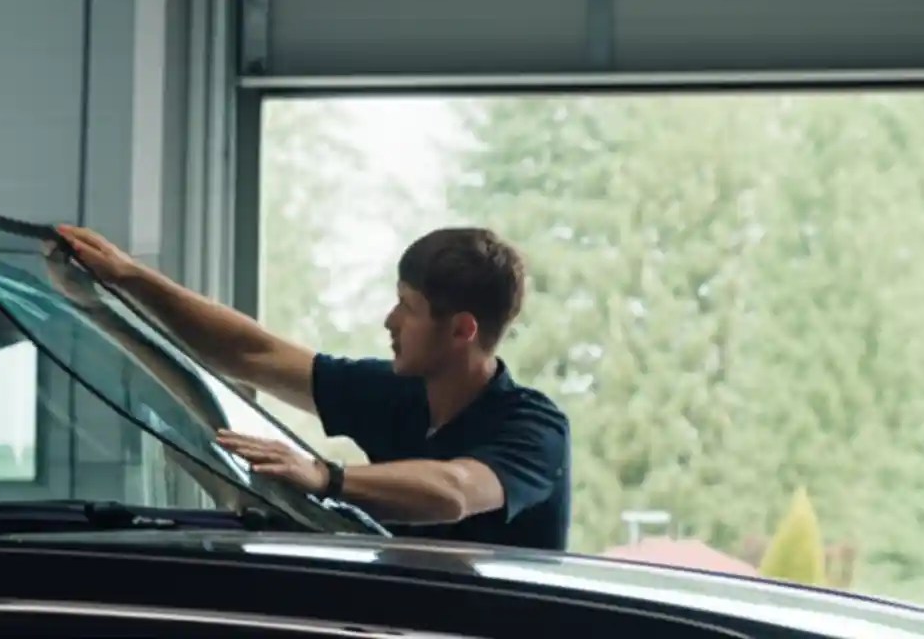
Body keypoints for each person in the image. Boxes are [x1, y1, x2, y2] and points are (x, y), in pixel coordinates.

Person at [53, 224, 571, 551]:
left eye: (407, 308)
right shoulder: (395, 392)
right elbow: (253, 353)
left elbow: (454, 492)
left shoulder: (533, 428)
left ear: (462, 330)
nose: (389, 321)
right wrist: (129, 279)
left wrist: (327, 478)